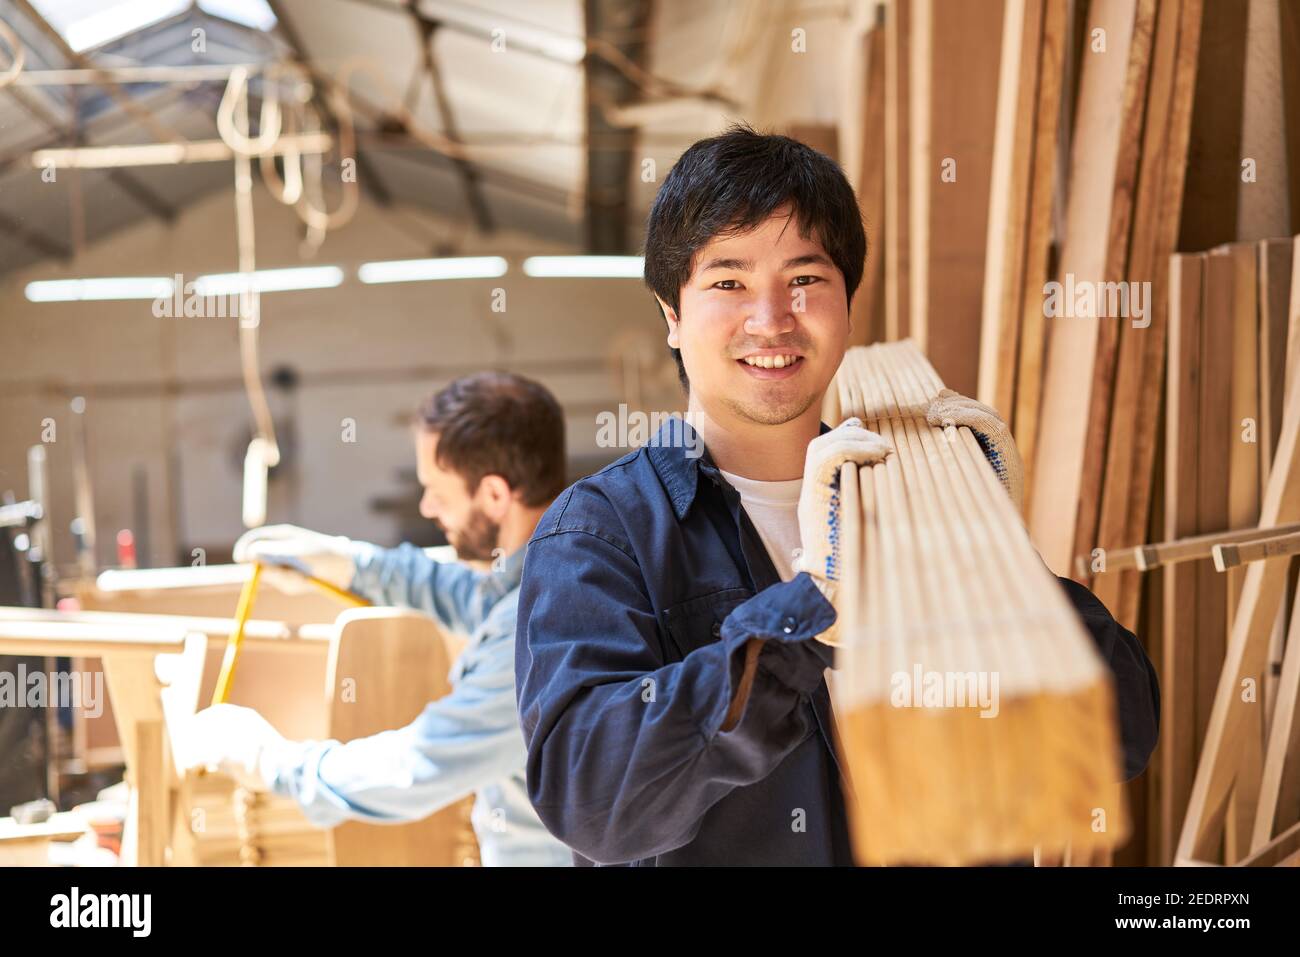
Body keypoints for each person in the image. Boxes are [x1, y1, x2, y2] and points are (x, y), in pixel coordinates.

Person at [514, 123, 1160, 866]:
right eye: (728, 281)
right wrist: (807, 611)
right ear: (671, 313)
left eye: (805, 279)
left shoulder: (912, 491)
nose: (772, 319)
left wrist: (1005, 559)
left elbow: (1124, 733)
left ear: (848, 299)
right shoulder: (601, 533)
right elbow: (591, 799)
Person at [183, 371, 574, 866]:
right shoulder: (553, 571)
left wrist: (270, 762)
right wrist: (351, 565)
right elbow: (463, 595)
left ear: (495, 495)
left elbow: (415, 768)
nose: (427, 506)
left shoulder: (535, 632)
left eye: (438, 491)